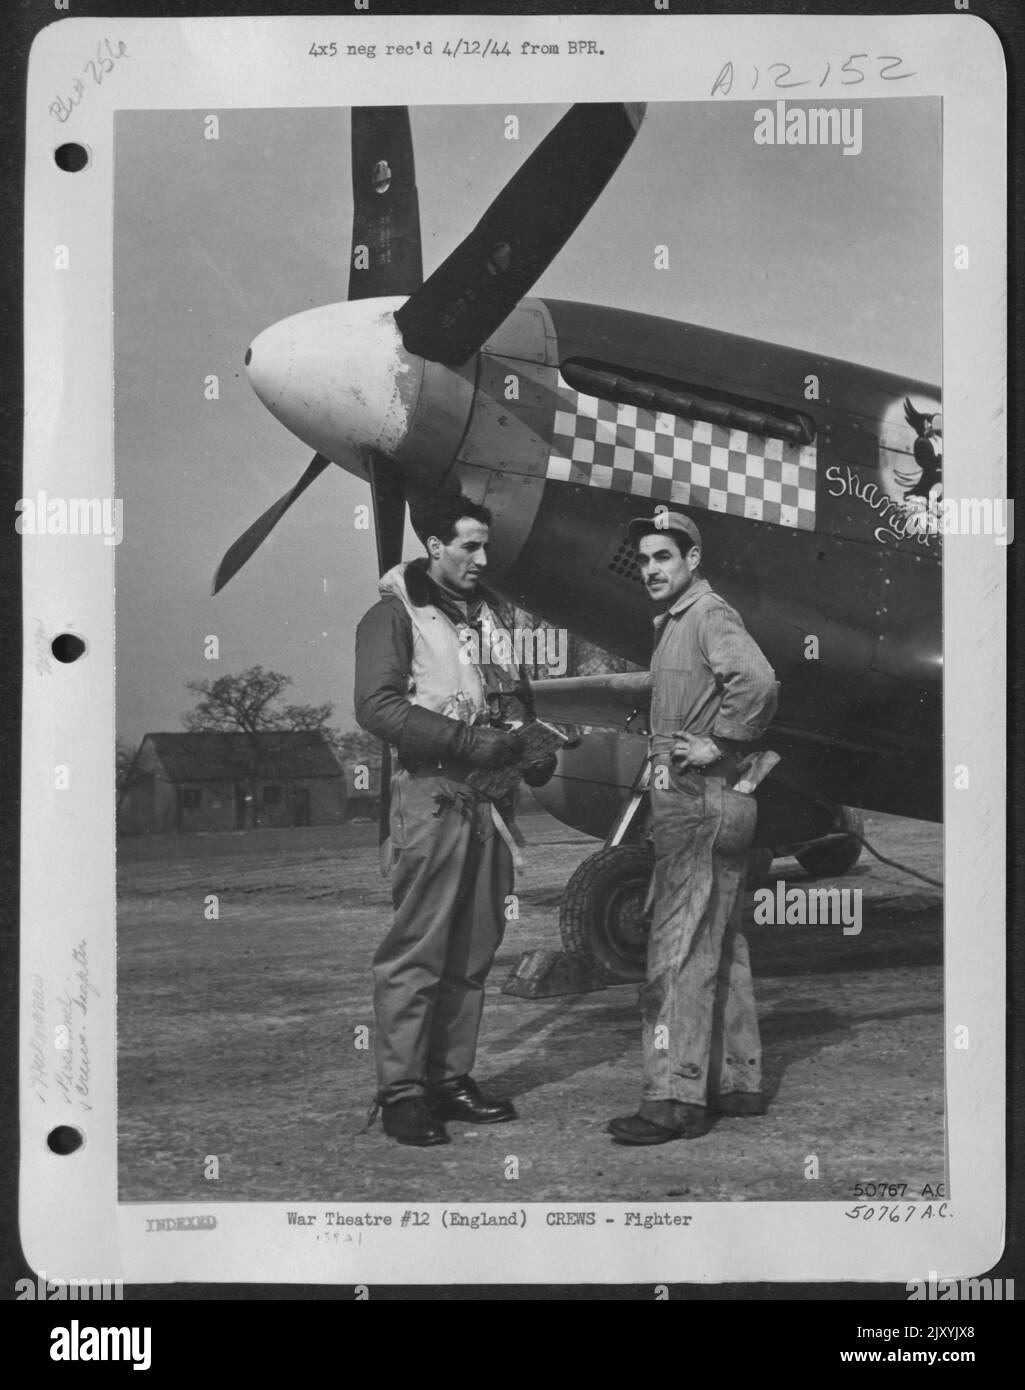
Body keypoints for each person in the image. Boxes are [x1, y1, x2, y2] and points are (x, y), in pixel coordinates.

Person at [354, 494, 557, 1146]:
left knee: (474, 946)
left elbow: (514, 699)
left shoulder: (490, 618)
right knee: (420, 946)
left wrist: (533, 747)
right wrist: (469, 743)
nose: (481, 558)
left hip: (491, 802)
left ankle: (448, 1078)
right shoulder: (391, 617)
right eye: (468, 545)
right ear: (433, 545)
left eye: (485, 546)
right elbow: (378, 708)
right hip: (433, 795)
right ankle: (402, 1092)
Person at [608, 510, 778, 1145]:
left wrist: (721, 742)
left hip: (699, 800)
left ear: (692, 560)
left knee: (674, 951)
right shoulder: (679, 623)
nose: (651, 569)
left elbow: (757, 681)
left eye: (664, 558)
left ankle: (674, 1100)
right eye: (645, 559)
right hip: (719, 804)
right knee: (720, 944)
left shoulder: (706, 615)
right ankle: (738, 1082)